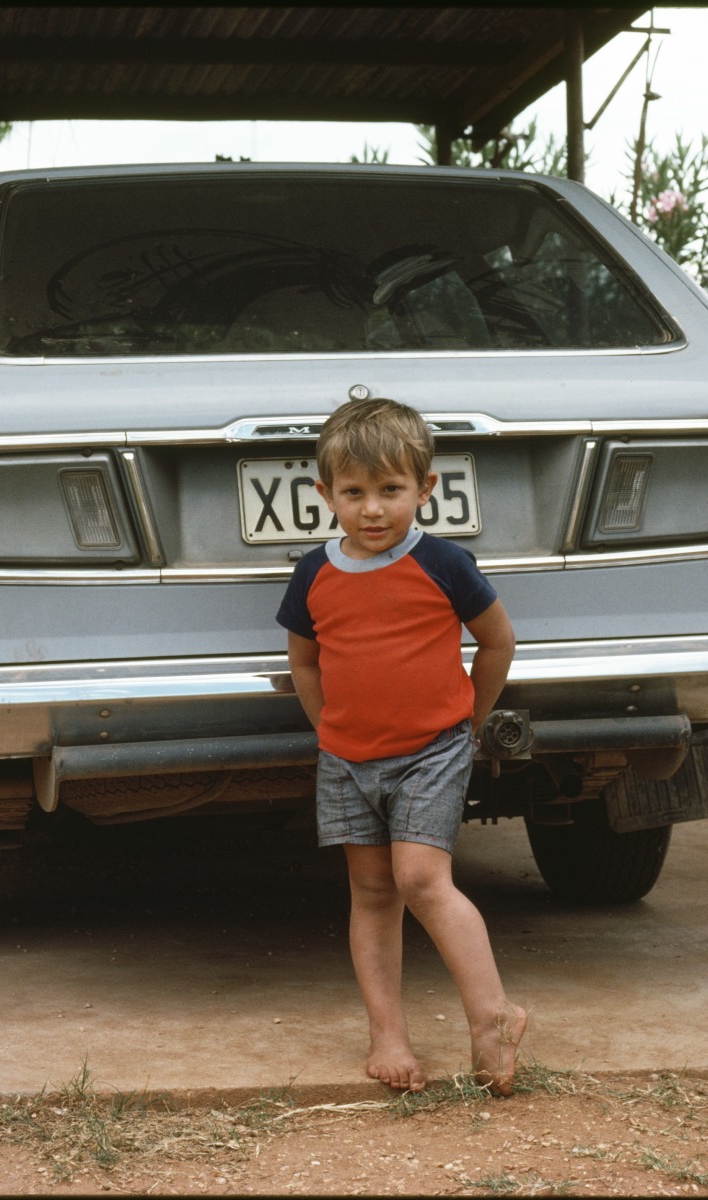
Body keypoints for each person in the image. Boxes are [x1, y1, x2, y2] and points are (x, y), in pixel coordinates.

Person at [277, 396, 527, 1095]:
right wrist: (328, 725)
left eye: (391, 490)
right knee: (373, 890)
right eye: (353, 493)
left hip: (431, 750)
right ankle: (388, 1033)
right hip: (348, 757)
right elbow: (303, 658)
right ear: (325, 495)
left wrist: (471, 719)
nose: (374, 509)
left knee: (421, 879)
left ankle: (492, 1016)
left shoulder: (443, 563)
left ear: (425, 488)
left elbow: (498, 640)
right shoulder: (313, 573)